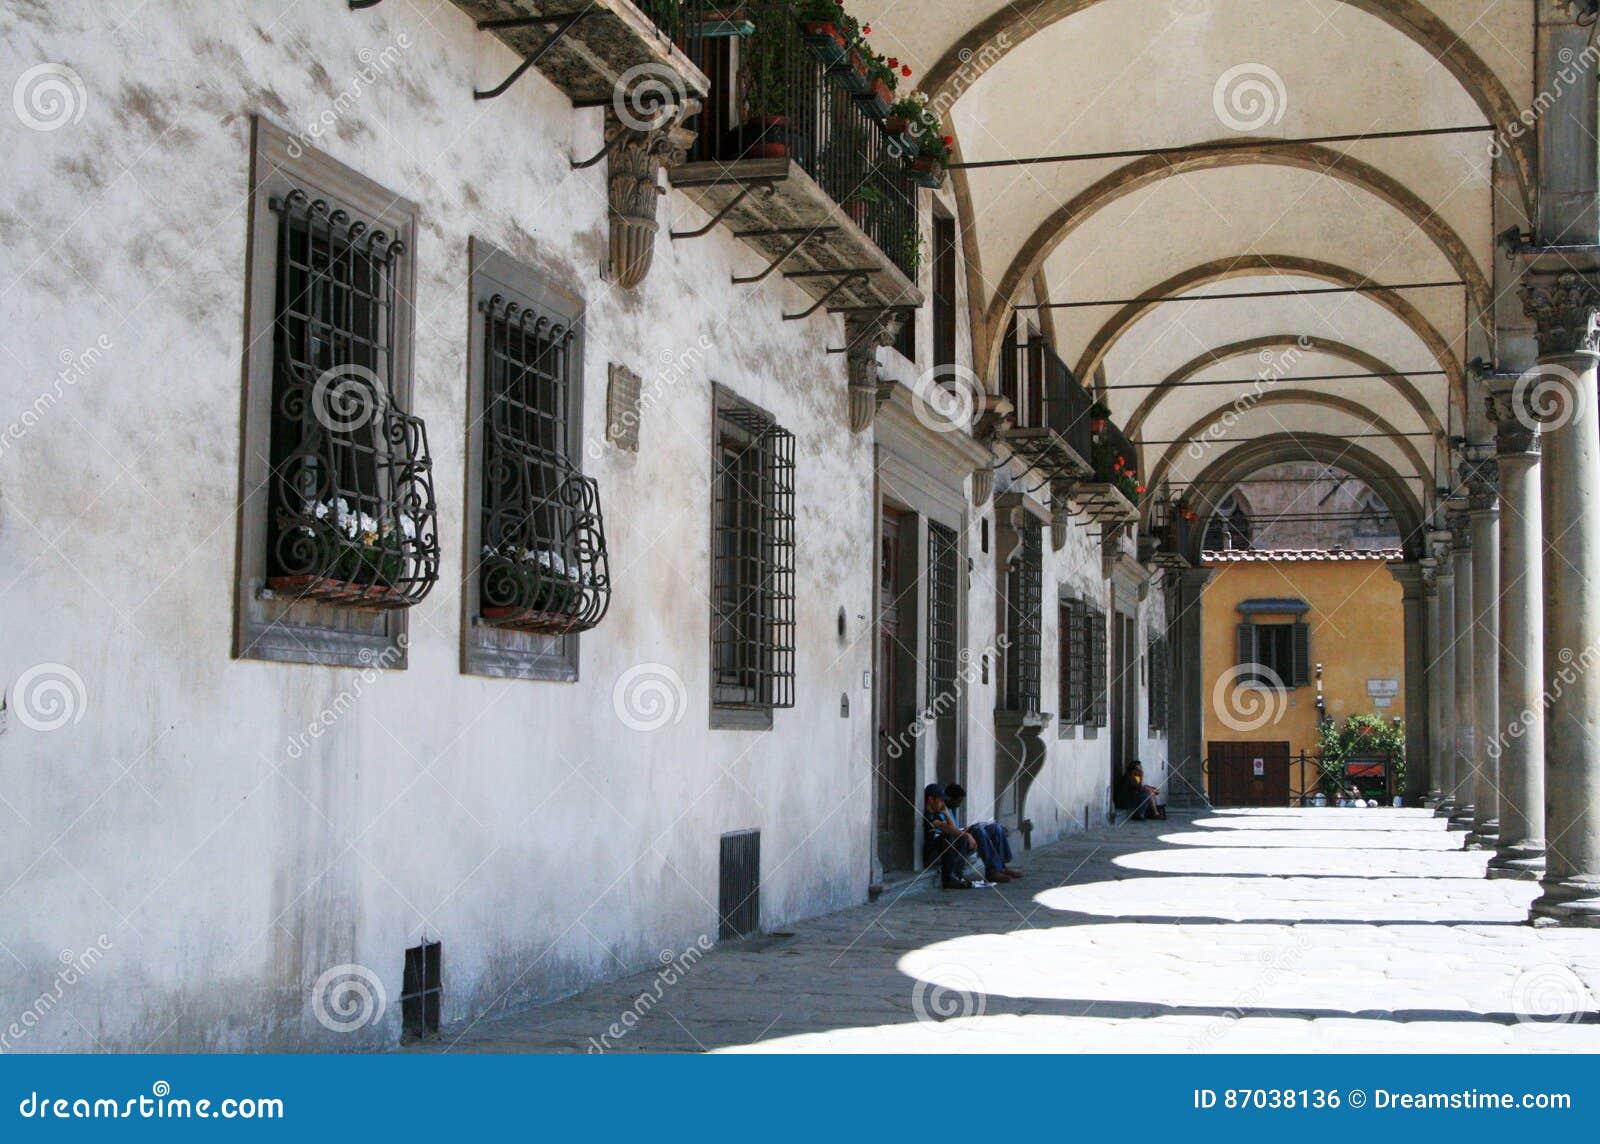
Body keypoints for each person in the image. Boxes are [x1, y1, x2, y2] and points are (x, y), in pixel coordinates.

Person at [942, 783, 1024, 882]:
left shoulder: (951, 809)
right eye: (958, 801)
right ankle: (992, 871)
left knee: (995, 828)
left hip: (961, 834)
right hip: (955, 840)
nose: (959, 804)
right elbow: (947, 830)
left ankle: (1002, 867)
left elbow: (956, 827)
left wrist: (965, 829)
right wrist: (966, 833)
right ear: (950, 798)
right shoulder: (942, 810)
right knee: (978, 830)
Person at [922, 784, 977, 889]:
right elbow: (944, 827)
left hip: (942, 853)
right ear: (930, 799)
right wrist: (967, 835)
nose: (943, 803)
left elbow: (952, 829)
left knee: (959, 839)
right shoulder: (927, 814)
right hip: (930, 855)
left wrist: (946, 813)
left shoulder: (937, 814)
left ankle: (957, 876)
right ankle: (948, 879)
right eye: (940, 800)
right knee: (948, 838)